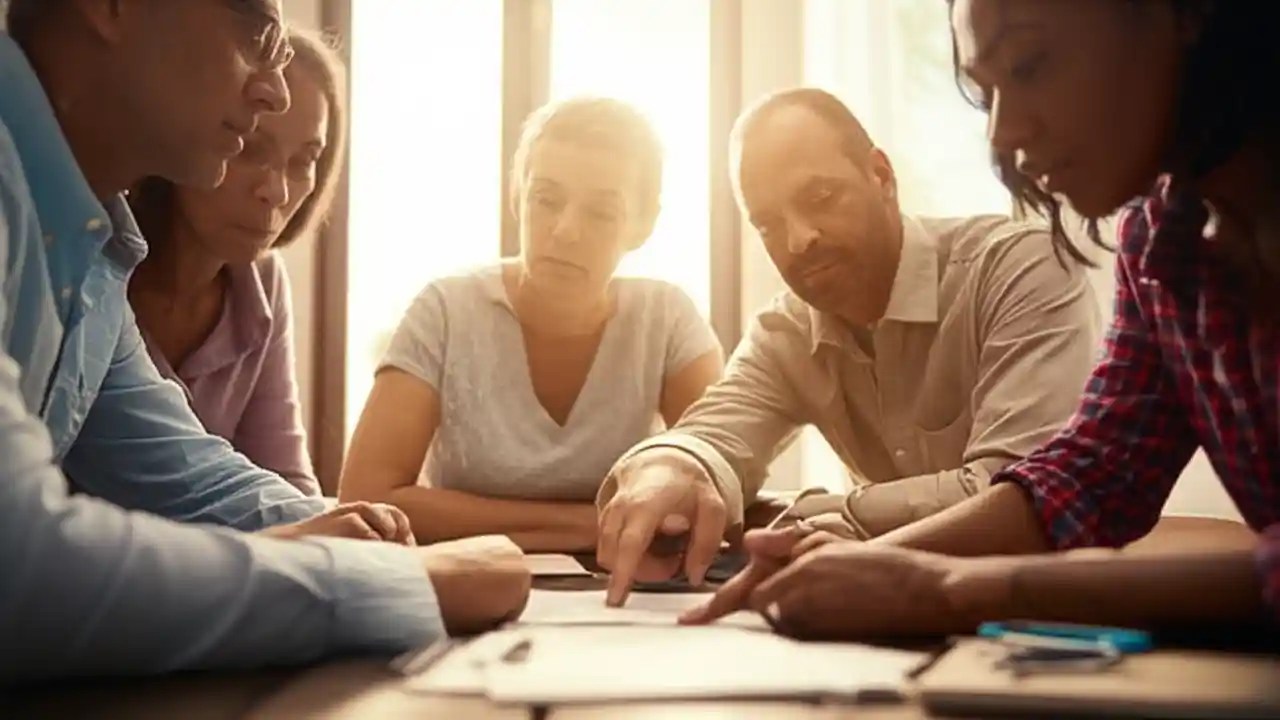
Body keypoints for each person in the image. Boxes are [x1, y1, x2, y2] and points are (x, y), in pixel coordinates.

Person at [682, 0, 1280, 639]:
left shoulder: (1020, 263)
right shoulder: (1158, 242)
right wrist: (873, 568)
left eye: (1030, 64)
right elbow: (1090, 475)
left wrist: (948, 587)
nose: (1002, 134)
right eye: (985, 93)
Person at [0, 0, 527, 680]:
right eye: (256, 29)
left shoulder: (95, 249)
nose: (275, 87)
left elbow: (189, 475)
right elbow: (19, 573)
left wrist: (368, 537)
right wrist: (406, 582)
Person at [595, 87, 1101, 605]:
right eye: (768, 224)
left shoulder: (1022, 267)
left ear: (881, 176)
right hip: (877, 612)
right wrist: (666, 468)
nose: (798, 240)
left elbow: (1018, 491)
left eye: (819, 199)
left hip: (1040, 611)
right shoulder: (786, 331)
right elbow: (710, 435)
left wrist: (832, 513)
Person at [339, 97, 723, 551]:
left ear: (642, 224)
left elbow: (717, 486)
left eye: (600, 212)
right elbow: (367, 500)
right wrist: (600, 523)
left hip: (625, 595)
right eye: (547, 199)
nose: (564, 230)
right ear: (516, 196)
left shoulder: (668, 319)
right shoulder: (444, 310)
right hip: (468, 585)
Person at [127, 29, 346, 495]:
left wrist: (353, 539)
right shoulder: (101, 262)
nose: (277, 191)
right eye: (251, 149)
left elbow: (284, 479)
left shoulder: (260, 283)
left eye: (304, 160)